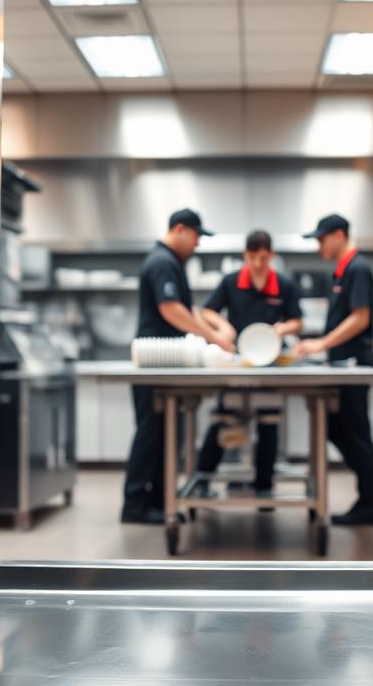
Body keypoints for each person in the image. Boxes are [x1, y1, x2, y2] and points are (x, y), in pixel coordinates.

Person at [122, 208, 234, 525]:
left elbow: (188, 310)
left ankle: (158, 500)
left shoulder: (173, 264)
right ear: (181, 229)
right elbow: (171, 310)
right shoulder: (162, 262)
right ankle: (135, 505)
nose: (197, 244)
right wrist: (211, 335)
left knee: (162, 435)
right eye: (196, 236)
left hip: (167, 363)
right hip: (155, 361)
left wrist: (217, 332)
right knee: (150, 434)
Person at [292, 213, 373, 525]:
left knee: (349, 429)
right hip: (344, 365)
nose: (319, 246)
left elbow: (360, 318)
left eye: (321, 239)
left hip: (355, 366)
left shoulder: (358, 268)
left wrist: (321, 344)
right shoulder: (343, 272)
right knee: (347, 429)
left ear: (339, 235)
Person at [196, 230, 303, 500]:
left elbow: (297, 321)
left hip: (269, 365)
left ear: (271, 256)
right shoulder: (231, 282)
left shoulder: (284, 284)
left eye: (263, 258)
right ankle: (202, 479)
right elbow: (207, 311)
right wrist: (222, 326)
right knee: (223, 421)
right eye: (252, 257)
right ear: (245, 255)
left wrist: (281, 329)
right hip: (237, 366)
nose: (257, 264)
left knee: (268, 424)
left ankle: (264, 486)